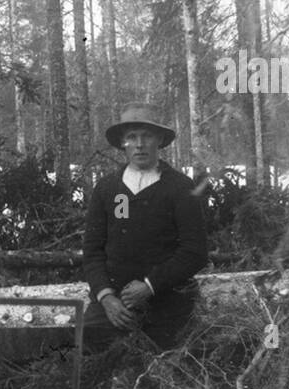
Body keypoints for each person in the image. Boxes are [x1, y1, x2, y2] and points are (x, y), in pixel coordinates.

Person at [81, 103, 208, 349]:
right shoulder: (108, 188)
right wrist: (106, 298)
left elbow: (195, 252)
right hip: (114, 305)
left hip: (168, 303)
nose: (139, 144)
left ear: (159, 140)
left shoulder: (180, 188)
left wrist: (150, 286)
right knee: (88, 356)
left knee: (168, 368)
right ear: (122, 143)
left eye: (147, 136)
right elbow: (92, 251)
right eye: (131, 137)